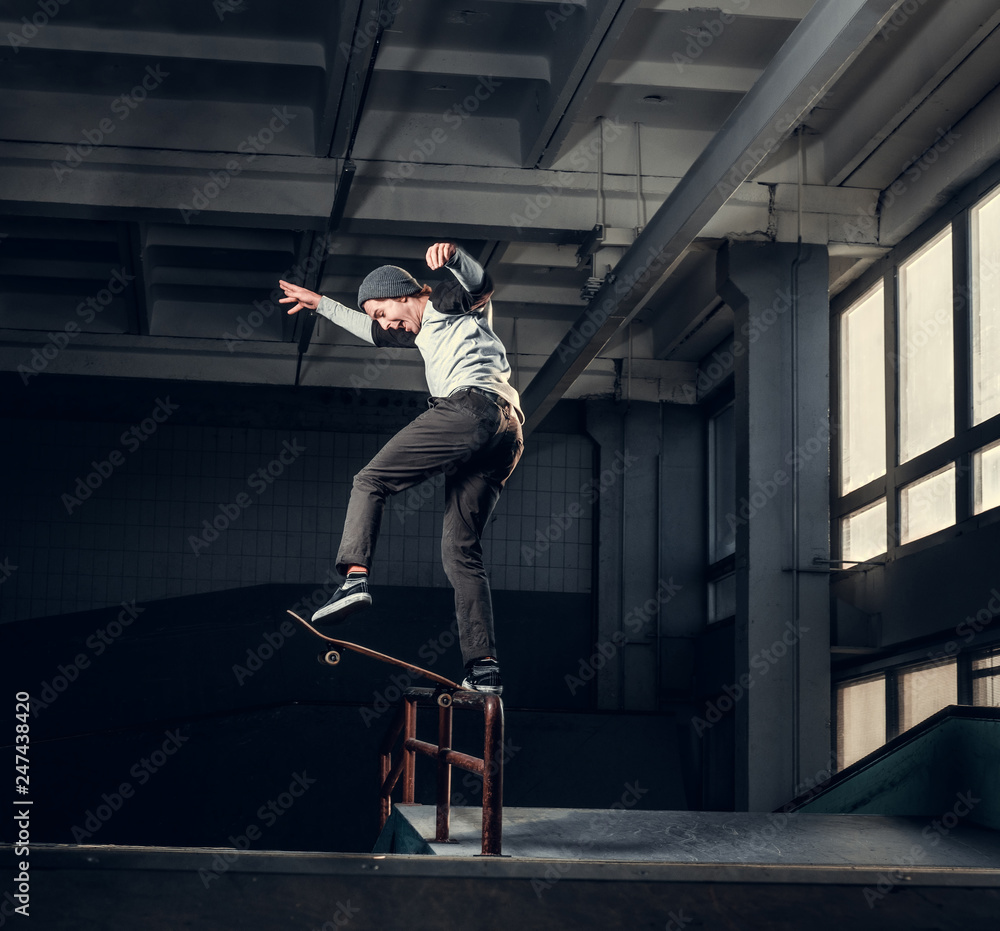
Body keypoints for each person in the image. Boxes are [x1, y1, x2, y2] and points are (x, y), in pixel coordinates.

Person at [279, 242, 523, 694]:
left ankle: (354, 579)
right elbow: (370, 331)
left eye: (383, 311)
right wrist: (321, 304)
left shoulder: (445, 302)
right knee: (460, 552)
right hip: (506, 434)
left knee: (370, 480)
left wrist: (455, 259)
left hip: (470, 409)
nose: (386, 324)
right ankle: (484, 669)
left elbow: (481, 284)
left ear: (404, 293)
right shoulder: (420, 329)